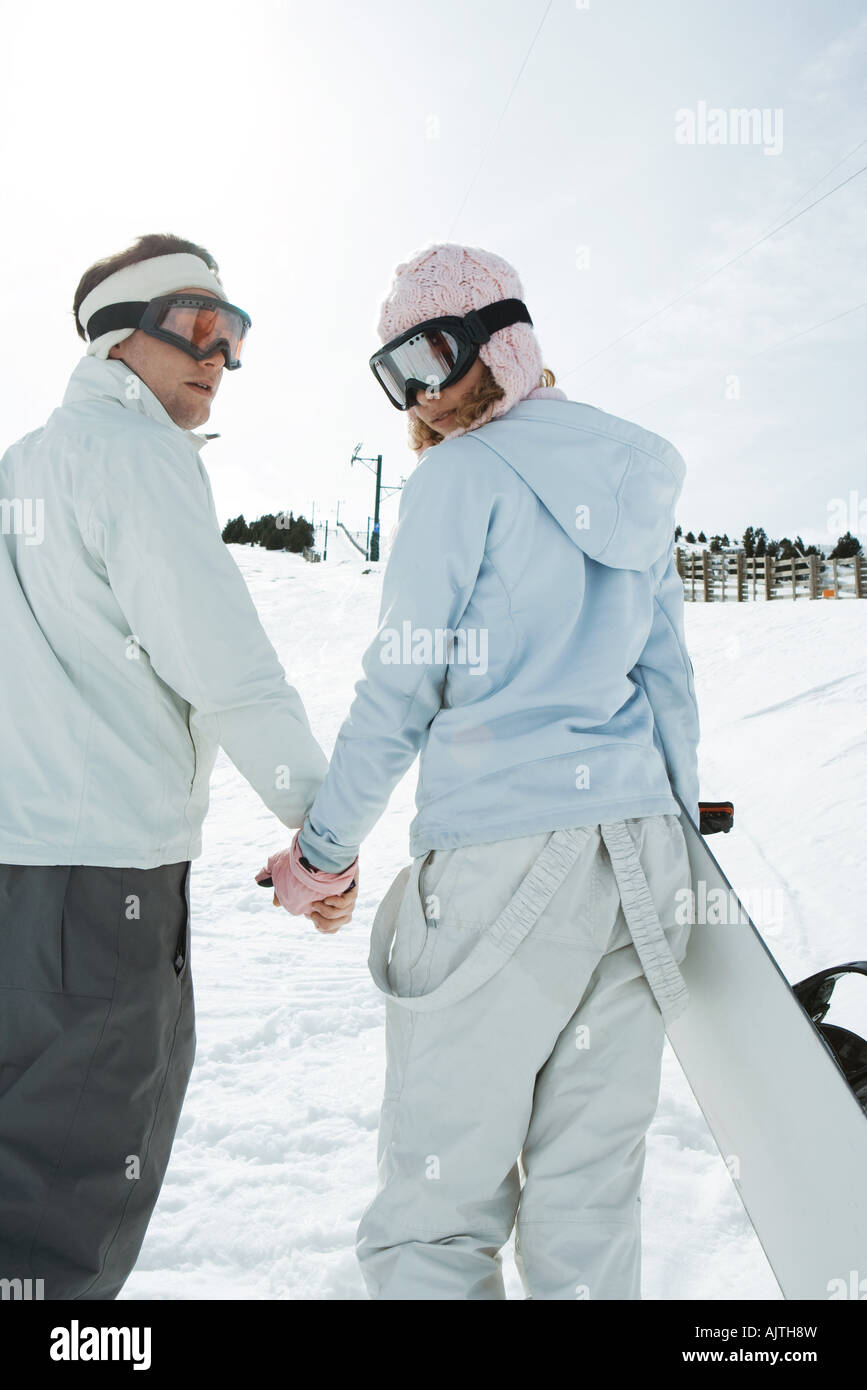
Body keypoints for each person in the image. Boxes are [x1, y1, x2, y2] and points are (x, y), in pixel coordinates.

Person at [269, 241, 701, 1300]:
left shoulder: (462, 478)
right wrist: (678, 845)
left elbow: (399, 686)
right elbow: (668, 683)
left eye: (430, 356)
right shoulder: (634, 471)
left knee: (435, 1207)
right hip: (636, 866)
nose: (423, 395)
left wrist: (323, 851)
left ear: (501, 340)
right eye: (396, 376)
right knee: (587, 1207)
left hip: (501, 855)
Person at [0, 232, 358, 1300]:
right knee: (67, 1205)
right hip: (102, 882)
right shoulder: (138, 456)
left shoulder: (21, 467)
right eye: (199, 327)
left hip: (19, 873)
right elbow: (230, 671)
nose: (221, 356)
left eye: (234, 335)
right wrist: (324, 839)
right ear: (120, 337)